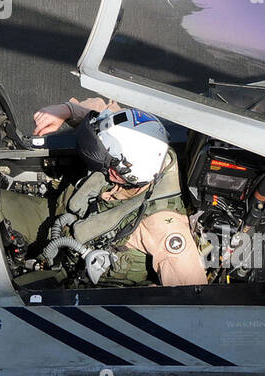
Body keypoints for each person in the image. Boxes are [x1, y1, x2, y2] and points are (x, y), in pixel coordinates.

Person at [33, 97, 208, 286]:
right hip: (63, 217)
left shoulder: (164, 226)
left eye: (106, 161)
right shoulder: (140, 147)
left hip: (82, 279)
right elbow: (107, 114)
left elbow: (192, 294)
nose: (103, 167)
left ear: (126, 173)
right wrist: (67, 110)